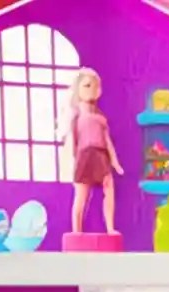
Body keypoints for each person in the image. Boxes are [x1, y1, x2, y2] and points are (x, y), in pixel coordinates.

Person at [61, 67, 124, 235]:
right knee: (81, 196)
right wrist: (72, 162)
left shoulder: (100, 118)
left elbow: (107, 141)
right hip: (84, 156)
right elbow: (73, 141)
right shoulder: (76, 116)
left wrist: (115, 162)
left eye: (95, 86)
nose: (92, 90)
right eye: (87, 86)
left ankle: (110, 227)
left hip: (100, 156)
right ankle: (77, 230)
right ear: (78, 89)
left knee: (109, 188)